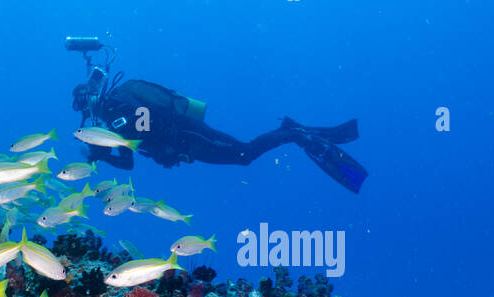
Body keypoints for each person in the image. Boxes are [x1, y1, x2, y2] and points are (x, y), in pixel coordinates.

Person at [68, 43, 368, 193]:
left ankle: (292, 134)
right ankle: (291, 131)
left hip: (186, 137)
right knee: (244, 152)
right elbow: (128, 161)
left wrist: (146, 138)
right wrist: (99, 156)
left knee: (245, 155)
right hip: (186, 140)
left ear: (90, 100)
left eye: (83, 108)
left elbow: (144, 117)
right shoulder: (112, 118)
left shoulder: (115, 106)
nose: (86, 115)